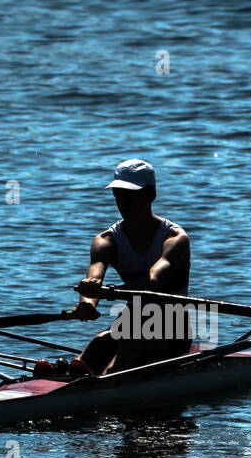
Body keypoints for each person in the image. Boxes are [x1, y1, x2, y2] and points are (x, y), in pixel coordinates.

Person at [59, 159, 192, 376]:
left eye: (132, 195)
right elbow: (93, 279)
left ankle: (103, 386)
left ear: (151, 195)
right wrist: (87, 303)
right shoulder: (105, 241)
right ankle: (71, 379)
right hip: (131, 322)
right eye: (119, 194)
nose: (124, 202)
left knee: (132, 341)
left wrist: (110, 292)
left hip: (172, 327)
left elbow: (154, 280)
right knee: (100, 342)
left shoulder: (175, 238)